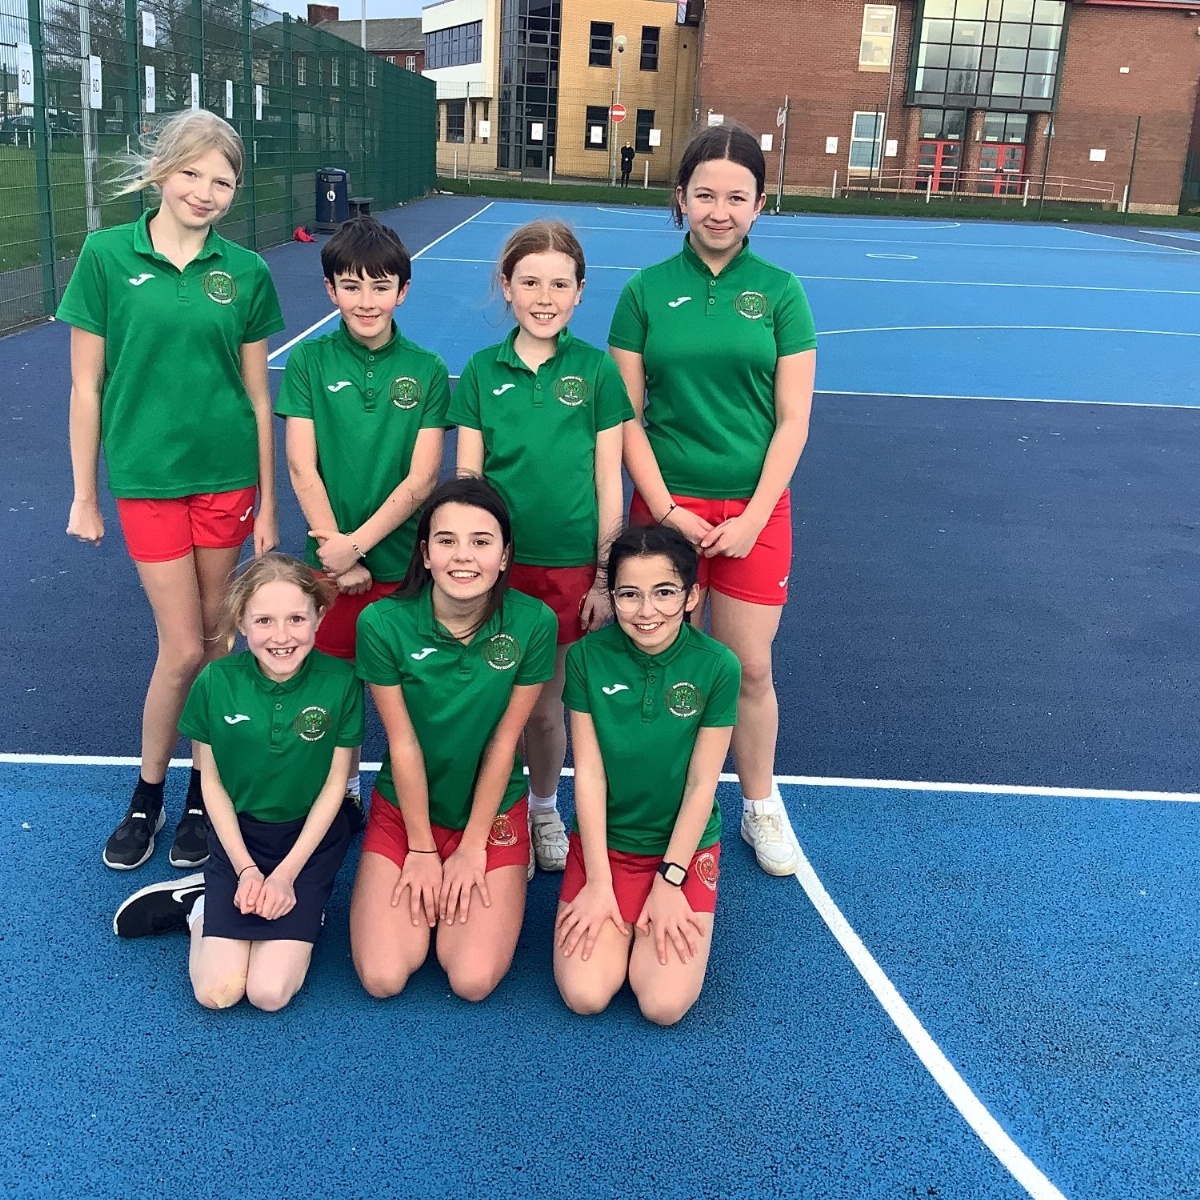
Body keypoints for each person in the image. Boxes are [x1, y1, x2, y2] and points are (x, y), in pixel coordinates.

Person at [59, 109, 284, 872]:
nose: (206, 190)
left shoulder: (247, 272)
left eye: (223, 181)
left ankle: (201, 798)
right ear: (162, 170)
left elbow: (258, 397)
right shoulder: (104, 255)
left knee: (220, 648)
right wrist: (83, 494)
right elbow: (86, 387)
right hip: (149, 482)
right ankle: (147, 795)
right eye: (193, 172)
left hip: (227, 484)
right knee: (182, 646)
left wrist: (269, 509)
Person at [608, 123, 817, 877]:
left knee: (748, 668)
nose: (719, 210)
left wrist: (753, 517)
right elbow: (624, 416)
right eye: (705, 194)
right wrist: (664, 511)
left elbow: (793, 420)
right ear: (681, 199)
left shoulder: (782, 293)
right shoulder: (642, 293)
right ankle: (658, 805)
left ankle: (759, 805)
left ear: (760, 204)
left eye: (736, 196)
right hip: (664, 514)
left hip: (754, 512)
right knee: (655, 664)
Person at [449, 220, 631, 876]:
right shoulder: (477, 373)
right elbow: (467, 484)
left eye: (559, 283)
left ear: (581, 292)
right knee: (490, 699)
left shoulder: (596, 373)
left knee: (548, 709)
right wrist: (465, 566)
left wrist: (606, 578)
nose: (544, 295)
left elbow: (610, 480)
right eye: (529, 281)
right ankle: (491, 810)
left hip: (571, 572)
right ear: (507, 287)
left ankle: (545, 806)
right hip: (495, 572)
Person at [112, 554, 364, 1013]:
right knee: (216, 993)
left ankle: (307, 903)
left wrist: (285, 875)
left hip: (309, 840)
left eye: (295, 619)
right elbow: (213, 784)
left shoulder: (342, 681)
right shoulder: (215, 680)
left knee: (269, 994)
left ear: (318, 617)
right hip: (238, 837)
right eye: (264, 620)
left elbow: (334, 788)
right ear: (242, 623)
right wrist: (247, 868)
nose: (281, 636)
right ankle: (198, 906)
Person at [350, 477, 558, 1002]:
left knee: (470, 979)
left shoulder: (534, 623)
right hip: (407, 812)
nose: (463, 557)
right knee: (383, 976)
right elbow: (402, 743)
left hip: (491, 817)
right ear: (425, 552)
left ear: (505, 555)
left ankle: (484, 866)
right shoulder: (381, 623)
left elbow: (506, 741)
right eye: (446, 541)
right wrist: (421, 848)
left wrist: (469, 850)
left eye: (481, 542)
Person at [275, 216, 450, 828]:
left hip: (403, 566)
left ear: (403, 290)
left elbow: (422, 479)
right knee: (337, 685)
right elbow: (301, 465)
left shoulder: (427, 369)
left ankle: (421, 797)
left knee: (415, 689)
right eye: (351, 285)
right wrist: (334, 553)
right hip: (328, 564)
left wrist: (358, 548)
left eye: (381, 286)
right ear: (330, 291)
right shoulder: (307, 363)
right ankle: (342, 790)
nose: (366, 300)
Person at [554, 524, 739, 1025]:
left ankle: (656, 907)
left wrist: (670, 880)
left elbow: (704, 784)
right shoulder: (588, 659)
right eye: (629, 595)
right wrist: (597, 880)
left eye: (664, 592)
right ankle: (613, 903)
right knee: (586, 994)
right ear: (611, 597)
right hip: (607, 847)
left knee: (662, 1005)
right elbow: (588, 775)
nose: (646, 611)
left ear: (691, 595)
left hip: (681, 849)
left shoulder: (719, 665)